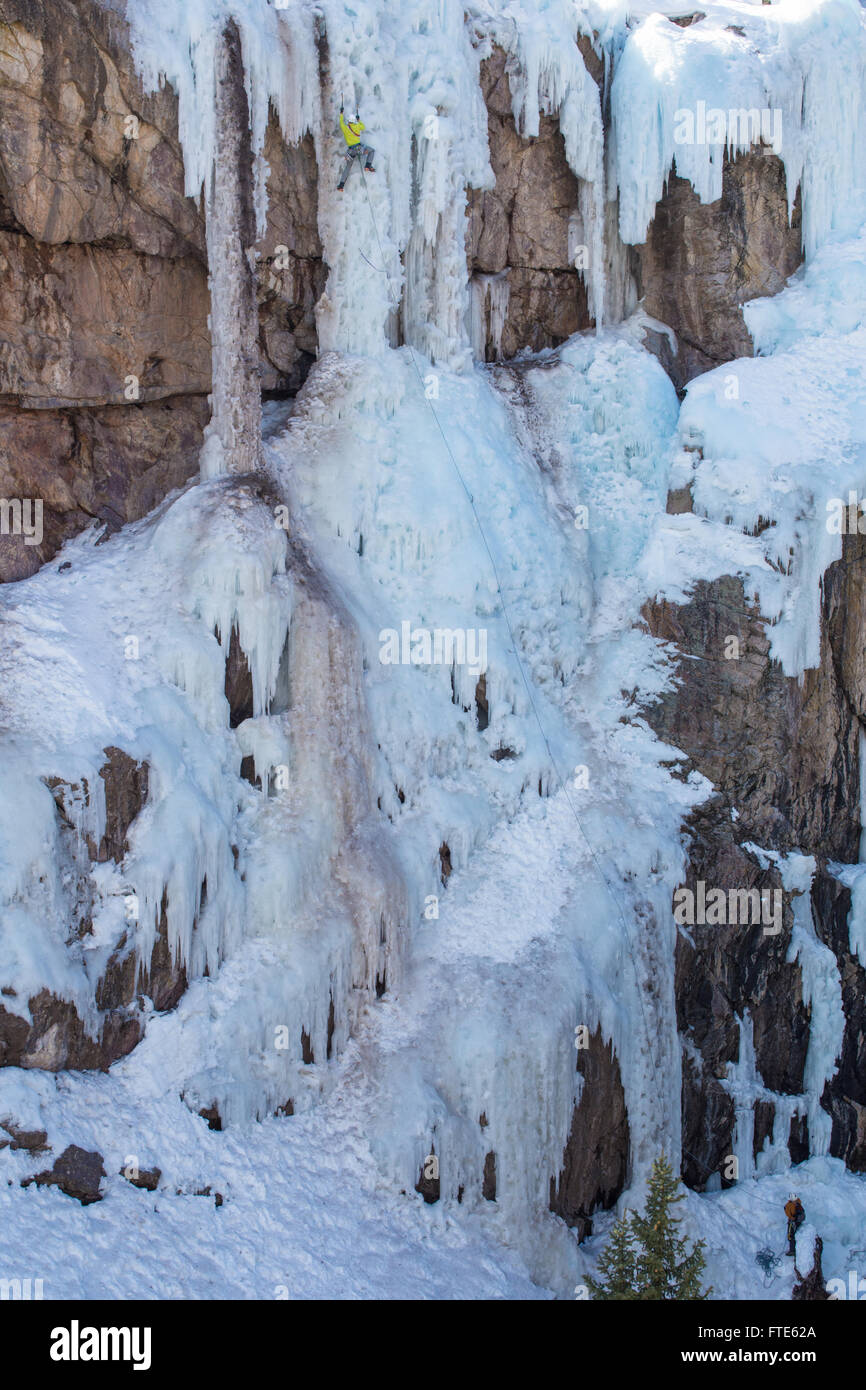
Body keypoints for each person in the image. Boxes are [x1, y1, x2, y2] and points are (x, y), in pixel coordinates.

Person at [337, 105, 375, 191]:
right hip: (359, 149)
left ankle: (341, 185)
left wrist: (341, 113)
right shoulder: (357, 126)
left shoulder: (346, 128)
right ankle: (368, 165)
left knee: (348, 167)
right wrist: (359, 120)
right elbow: (363, 127)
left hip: (350, 152)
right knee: (371, 151)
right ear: (354, 121)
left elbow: (341, 123)